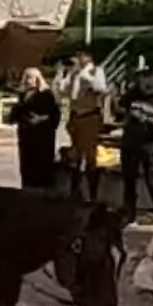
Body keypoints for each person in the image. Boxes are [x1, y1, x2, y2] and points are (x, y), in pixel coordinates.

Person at [118, 68, 153, 226]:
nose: (146, 81)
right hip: (130, 141)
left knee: (152, 181)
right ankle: (129, 214)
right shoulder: (132, 94)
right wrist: (127, 113)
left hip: (148, 142)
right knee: (129, 179)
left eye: (149, 78)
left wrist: (150, 120)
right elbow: (120, 108)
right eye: (143, 78)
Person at [58, 51, 108, 200]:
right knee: (75, 155)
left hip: (89, 116)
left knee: (90, 156)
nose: (78, 59)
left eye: (80, 56)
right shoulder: (73, 74)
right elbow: (62, 91)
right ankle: (75, 191)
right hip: (75, 117)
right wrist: (65, 75)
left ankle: (93, 193)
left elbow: (101, 88)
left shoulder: (96, 71)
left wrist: (85, 77)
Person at [6, 67, 61, 189]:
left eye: (30, 78)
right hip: (26, 135)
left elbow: (54, 114)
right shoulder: (23, 95)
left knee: (42, 165)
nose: (28, 81)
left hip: (42, 136)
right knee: (26, 164)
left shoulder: (47, 95)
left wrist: (41, 119)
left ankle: (43, 189)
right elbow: (16, 113)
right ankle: (27, 187)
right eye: (26, 78)